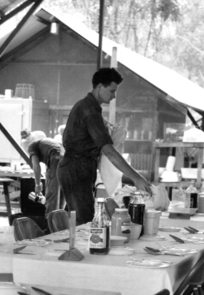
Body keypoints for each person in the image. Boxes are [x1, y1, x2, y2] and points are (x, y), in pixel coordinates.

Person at [57, 67, 151, 224]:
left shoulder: (87, 107)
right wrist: (136, 178)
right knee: (85, 221)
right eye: (111, 91)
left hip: (78, 167)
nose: (114, 96)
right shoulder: (90, 111)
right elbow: (108, 151)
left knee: (75, 220)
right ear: (99, 86)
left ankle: (70, 247)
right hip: (76, 168)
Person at [26, 132, 64, 216]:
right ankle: (60, 224)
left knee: (52, 197)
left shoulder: (32, 146)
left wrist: (38, 185)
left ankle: (50, 226)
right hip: (67, 158)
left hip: (56, 158)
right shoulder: (48, 142)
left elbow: (36, 166)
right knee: (62, 195)